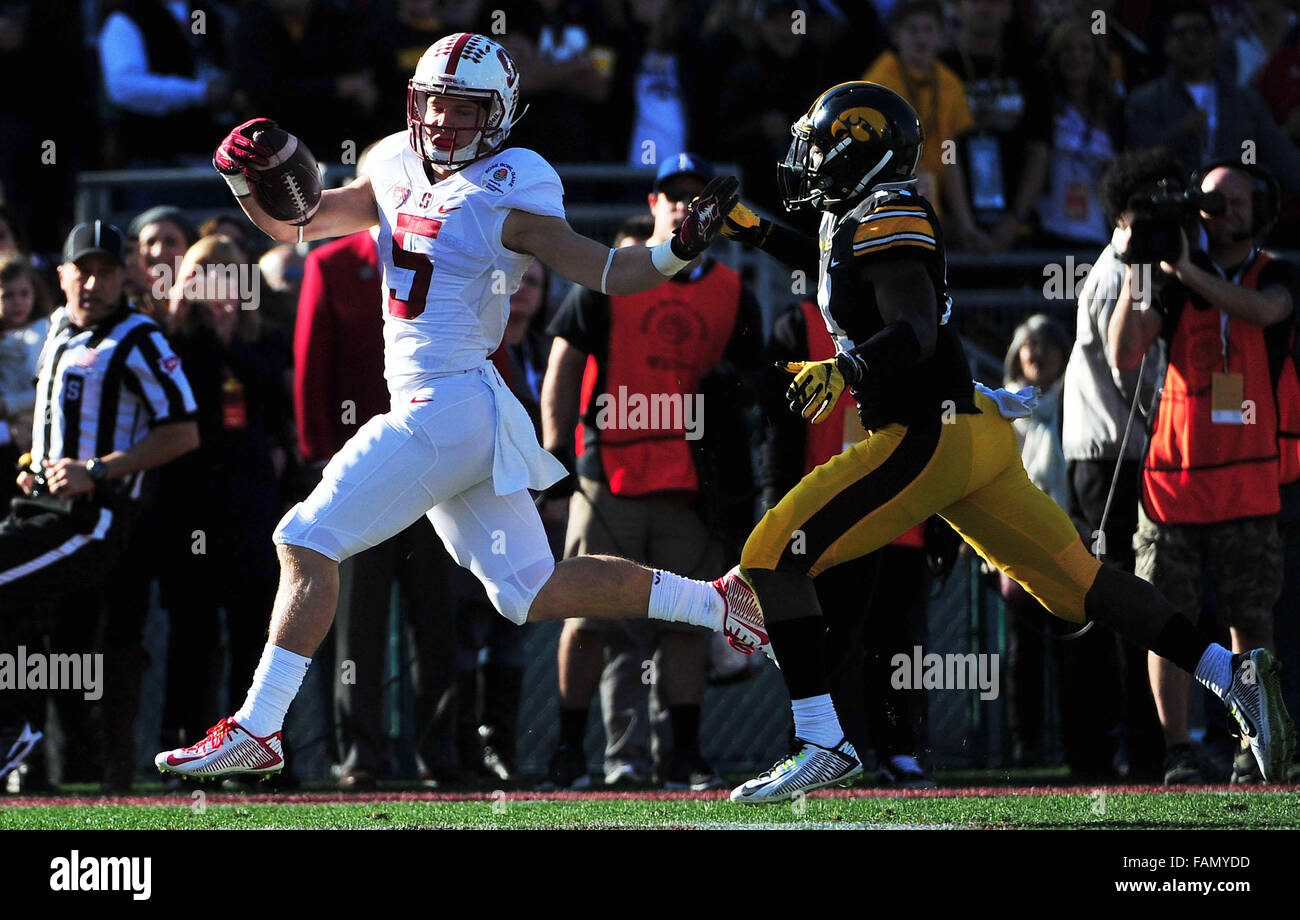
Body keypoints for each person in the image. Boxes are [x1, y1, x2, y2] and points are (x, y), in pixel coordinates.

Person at [154, 32, 756, 780]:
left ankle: (259, 726)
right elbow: (300, 224)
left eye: (464, 107)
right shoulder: (391, 161)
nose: (441, 120)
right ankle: (719, 603)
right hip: (453, 411)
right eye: (433, 101)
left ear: (499, 114)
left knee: (304, 538)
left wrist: (672, 251)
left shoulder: (513, 185)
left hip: (450, 402)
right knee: (528, 590)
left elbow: (604, 270)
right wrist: (245, 183)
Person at [712, 81, 1295, 802]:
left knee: (771, 556)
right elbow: (844, 270)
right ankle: (1227, 673)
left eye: (821, 144)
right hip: (971, 437)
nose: (807, 159)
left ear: (859, 148)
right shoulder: (861, 215)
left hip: (927, 434)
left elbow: (917, 330)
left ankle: (820, 740)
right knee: (1078, 585)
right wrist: (757, 230)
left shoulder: (888, 213)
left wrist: (848, 367)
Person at [540, 156, 762, 791]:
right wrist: (557, 461)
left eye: (698, 199)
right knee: (587, 619)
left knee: (685, 626)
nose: (686, 207)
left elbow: (755, 381)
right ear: (655, 200)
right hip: (607, 473)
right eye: (675, 196)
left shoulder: (731, 292)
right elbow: (562, 365)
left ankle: (683, 757)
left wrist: (734, 399)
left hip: (690, 484)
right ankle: (571, 754)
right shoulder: (613, 273)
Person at [1109, 160, 1300, 784]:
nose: (1227, 211)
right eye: (1214, 200)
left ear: (1263, 208)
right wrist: (1141, 269)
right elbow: (1124, 352)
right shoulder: (1166, 280)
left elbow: (1264, 311)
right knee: (1166, 619)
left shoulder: (1276, 274)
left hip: (1248, 481)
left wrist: (1186, 270)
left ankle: (1254, 743)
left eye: (1240, 201)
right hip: (1175, 482)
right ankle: (1179, 751)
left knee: (1252, 616)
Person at [0, 222, 199, 788]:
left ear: (124, 276)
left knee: (102, 644)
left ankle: (14, 732)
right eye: (82, 271)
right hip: (36, 508)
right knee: (26, 628)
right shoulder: (57, 329)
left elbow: (183, 433)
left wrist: (96, 470)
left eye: (106, 272)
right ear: (61, 276)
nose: (93, 283)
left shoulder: (141, 339)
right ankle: (26, 749)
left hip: (92, 519)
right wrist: (35, 459)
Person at [1059, 148, 1174, 782]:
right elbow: (1130, 364)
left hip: (1110, 453)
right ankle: (1117, 750)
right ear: (1123, 215)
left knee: (1115, 600)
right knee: (1118, 601)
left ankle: (1116, 748)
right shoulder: (1122, 271)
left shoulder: (1131, 266)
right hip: (1113, 458)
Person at [1125, 2, 1300, 198]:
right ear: (1166, 44)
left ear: (1217, 39)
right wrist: (1180, 132)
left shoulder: (1246, 102)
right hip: (1174, 213)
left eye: (1200, 31)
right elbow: (1135, 160)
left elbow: (1282, 158)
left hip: (1233, 213)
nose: (1191, 40)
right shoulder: (1145, 101)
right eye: (1180, 33)